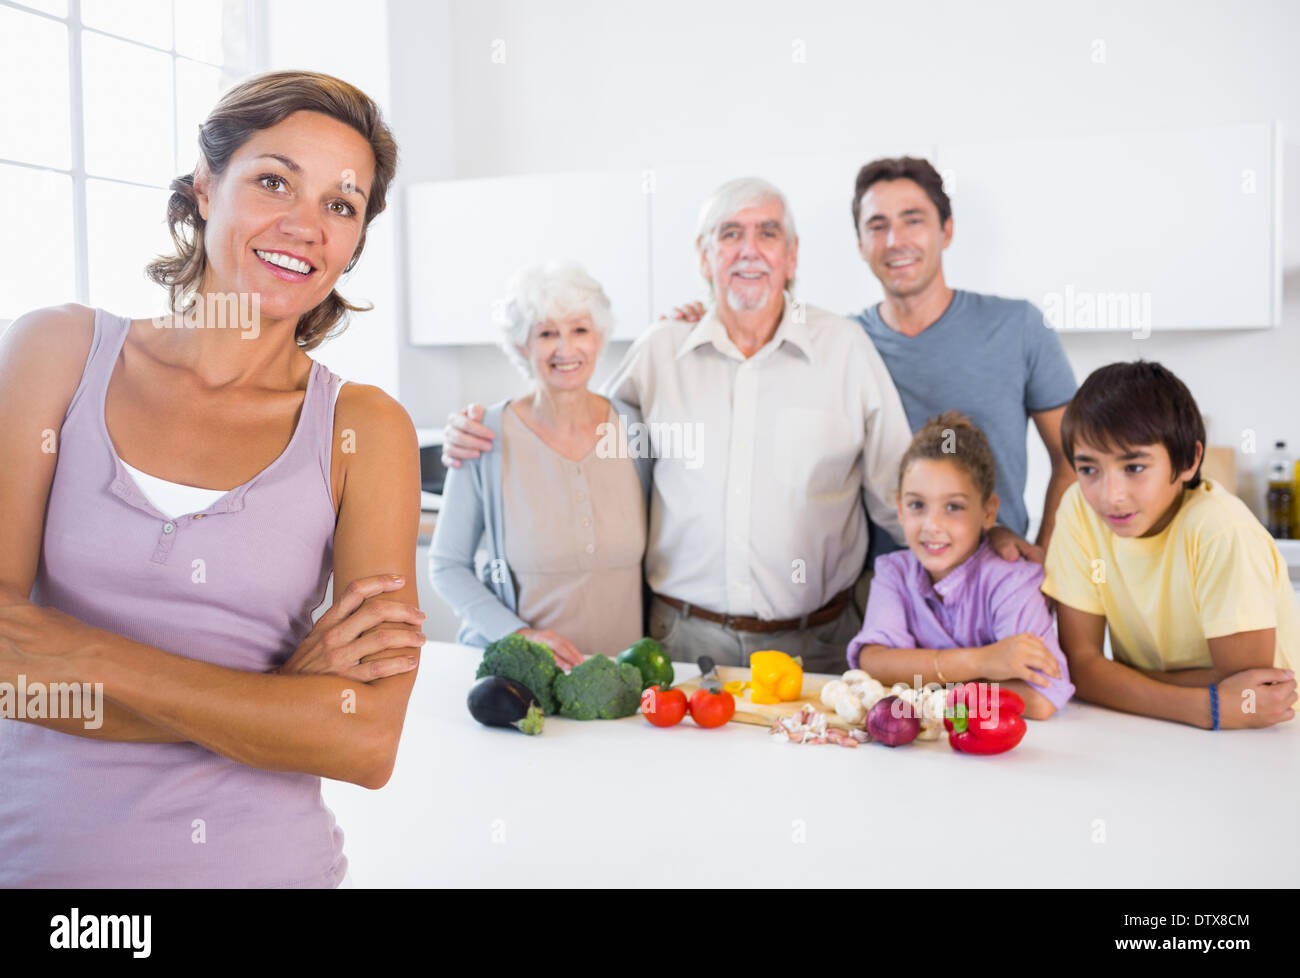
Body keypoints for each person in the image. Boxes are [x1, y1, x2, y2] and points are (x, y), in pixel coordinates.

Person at [0, 70, 424, 888]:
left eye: (341, 205)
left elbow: (362, 742)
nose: (303, 227)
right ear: (204, 189)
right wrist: (272, 702)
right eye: (273, 181)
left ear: (354, 241)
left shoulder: (363, 428)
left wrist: (83, 657)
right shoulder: (56, 354)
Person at [443, 177, 914, 674]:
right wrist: (474, 429)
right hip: (679, 643)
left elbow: (899, 497)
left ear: (792, 255)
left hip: (820, 644)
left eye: (768, 233)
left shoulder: (845, 349)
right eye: (730, 234)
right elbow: (578, 425)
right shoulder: (661, 350)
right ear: (705, 256)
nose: (749, 250)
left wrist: (978, 554)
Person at [667, 157, 1077, 565]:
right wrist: (707, 318)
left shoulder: (1018, 327)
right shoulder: (836, 345)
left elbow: (1072, 460)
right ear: (861, 245)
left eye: (913, 220)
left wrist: (1047, 565)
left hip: (992, 572)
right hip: (880, 590)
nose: (895, 240)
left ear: (946, 230)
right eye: (877, 226)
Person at [1042, 360, 1298, 729]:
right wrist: (1208, 706)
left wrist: (1115, 678)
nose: (1110, 496)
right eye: (1089, 469)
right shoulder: (1078, 511)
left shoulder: (1220, 530)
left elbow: (1250, 694)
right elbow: (1080, 668)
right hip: (1169, 726)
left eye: (1134, 467)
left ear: (1190, 460)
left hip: (1275, 733)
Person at [429, 262, 651, 666]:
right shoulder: (483, 436)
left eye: (580, 330)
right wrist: (519, 636)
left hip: (627, 687)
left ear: (600, 338)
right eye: (547, 333)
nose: (566, 349)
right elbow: (447, 565)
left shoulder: (636, 430)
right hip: (524, 681)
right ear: (521, 346)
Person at [846, 412, 1074, 720]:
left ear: (988, 511)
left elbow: (1038, 698)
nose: (933, 525)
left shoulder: (1012, 579)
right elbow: (872, 662)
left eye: (953, 507)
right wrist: (981, 662)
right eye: (917, 505)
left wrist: (918, 680)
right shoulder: (893, 572)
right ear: (899, 507)